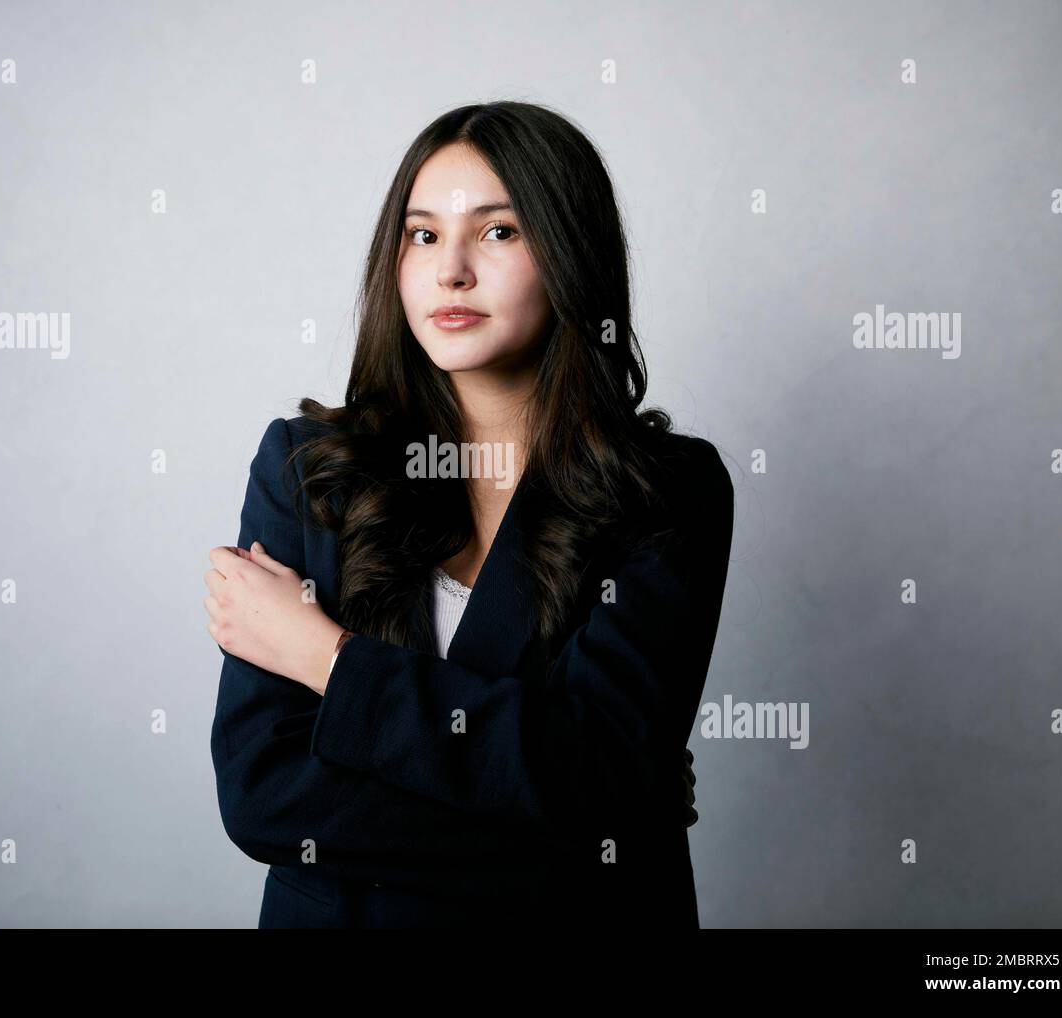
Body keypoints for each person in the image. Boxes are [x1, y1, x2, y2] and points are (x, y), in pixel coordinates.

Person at [204, 100, 733, 929]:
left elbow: (599, 777)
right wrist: (584, 811)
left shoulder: (668, 489)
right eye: (422, 236)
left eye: (497, 232)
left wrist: (330, 660)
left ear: (569, 249)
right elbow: (265, 795)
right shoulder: (309, 471)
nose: (450, 271)